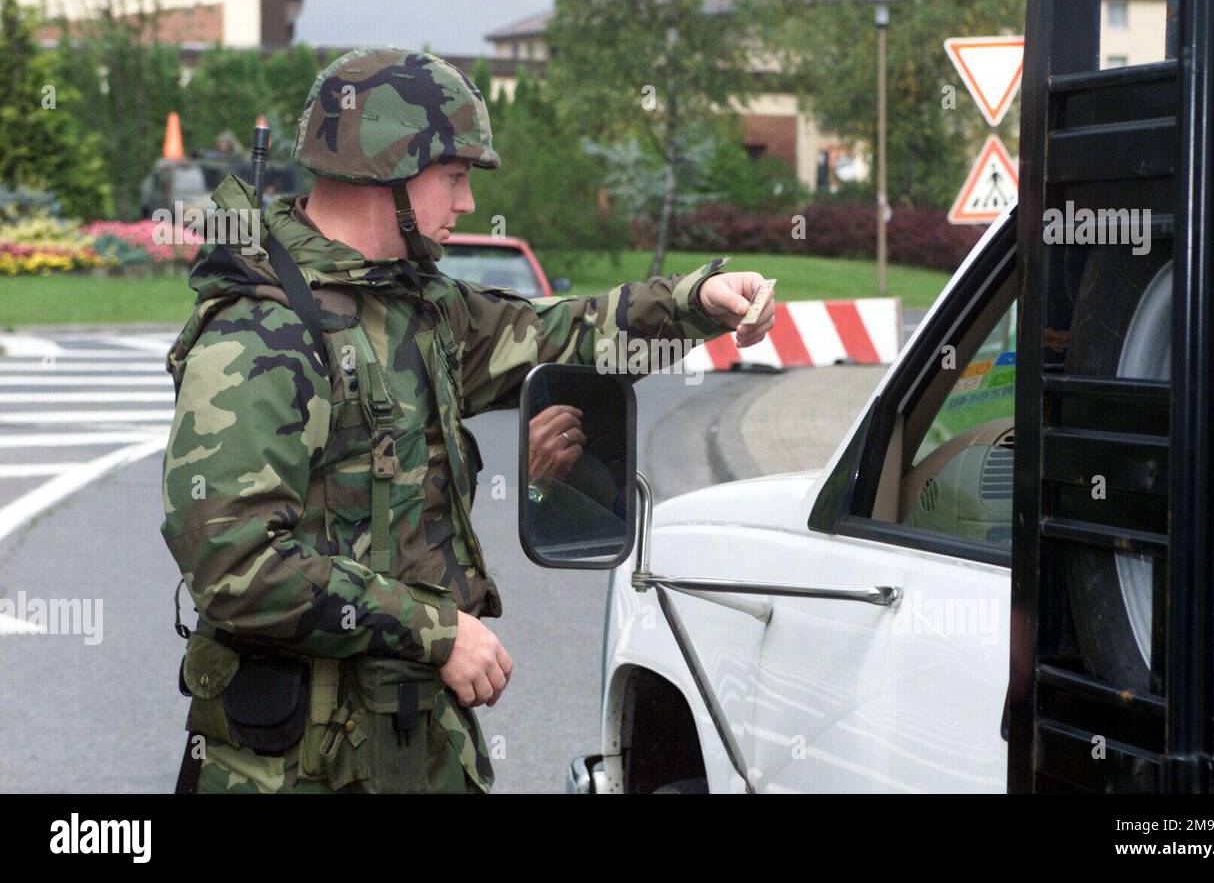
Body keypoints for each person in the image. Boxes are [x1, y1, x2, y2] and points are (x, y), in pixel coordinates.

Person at [160, 47, 776, 794]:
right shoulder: (261, 332)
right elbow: (235, 565)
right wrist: (437, 630)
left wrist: (694, 303)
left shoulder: (417, 310)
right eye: (453, 178)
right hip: (294, 771)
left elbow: (567, 335)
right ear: (387, 166)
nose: (465, 205)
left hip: (410, 742)